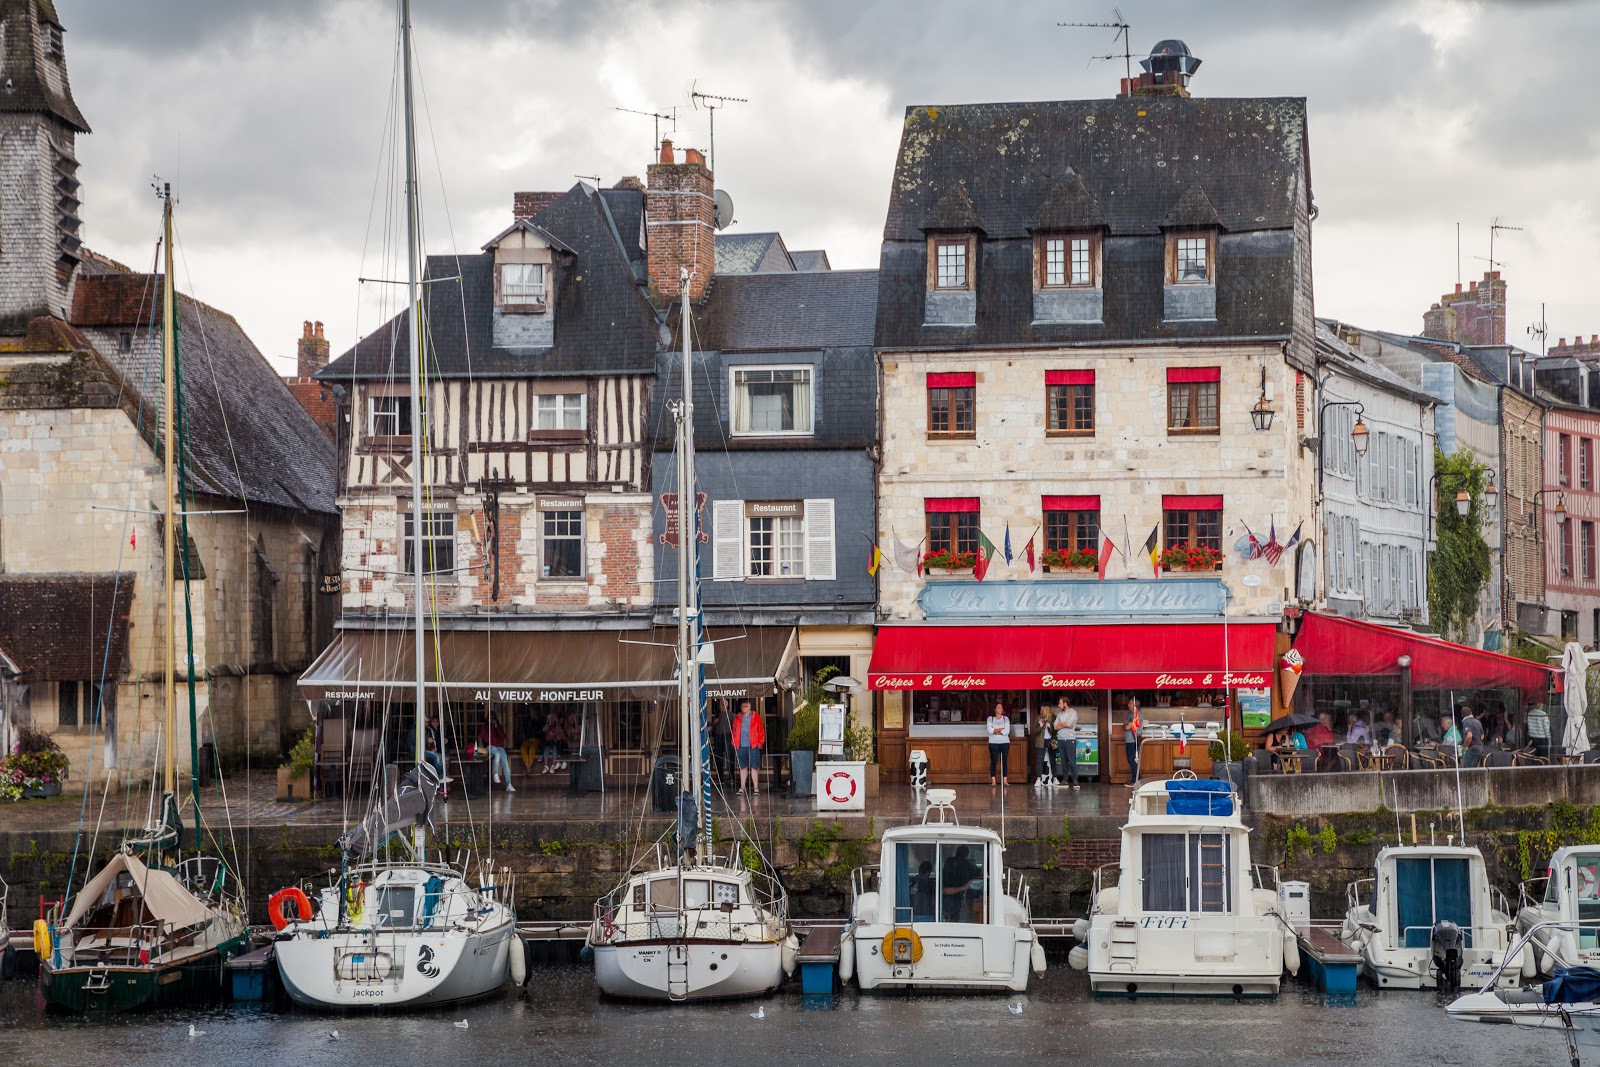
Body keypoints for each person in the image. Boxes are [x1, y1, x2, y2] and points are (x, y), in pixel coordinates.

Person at [732, 698, 766, 796]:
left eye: (745, 706)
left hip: (753, 745)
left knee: (754, 767)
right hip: (741, 745)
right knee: (743, 767)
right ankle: (742, 787)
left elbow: (761, 731)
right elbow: (734, 730)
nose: (744, 708)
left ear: (750, 707)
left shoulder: (756, 717)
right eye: (742, 707)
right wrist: (734, 742)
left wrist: (760, 743)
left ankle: (756, 788)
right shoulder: (738, 717)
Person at [941, 844, 979, 922]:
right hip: (959, 894)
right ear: (966, 854)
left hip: (946, 894)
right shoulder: (968, 864)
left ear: (956, 852)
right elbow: (978, 873)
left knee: (947, 916)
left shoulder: (948, 861)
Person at [481, 711, 515, 792]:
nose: (491, 720)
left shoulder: (498, 726)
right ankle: (495, 773)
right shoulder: (484, 726)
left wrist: (496, 726)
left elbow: (502, 737)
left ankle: (509, 784)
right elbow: (484, 738)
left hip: (499, 746)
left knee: (505, 763)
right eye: (490, 718)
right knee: (497, 753)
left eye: (493, 718)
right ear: (487, 719)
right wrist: (490, 728)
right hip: (489, 745)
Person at [1054, 697, 1081, 790]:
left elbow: (1069, 724)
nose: (1058, 705)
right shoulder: (1060, 714)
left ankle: (1075, 780)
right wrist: (1065, 724)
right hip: (1061, 739)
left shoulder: (1073, 713)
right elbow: (1055, 726)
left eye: (1060, 703)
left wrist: (1061, 724)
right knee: (1063, 760)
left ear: (1065, 703)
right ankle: (1065, 779)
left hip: (1070, 739)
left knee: (1071, 760)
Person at [986, 702, 1012, 787]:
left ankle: (1005, 780)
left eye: (1001, 707)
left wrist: (995, 730)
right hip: (993, 742)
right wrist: (1001, 729)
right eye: (998, 707)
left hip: (1004, 742)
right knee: (993, 761)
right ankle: (993, 781)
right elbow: (990, 730)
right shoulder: (990, 719)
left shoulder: (1006, 719)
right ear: (995, 709)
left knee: (1004, 761)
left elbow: (1007, 731)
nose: (1000, 709)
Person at [712, 700, 735, 786]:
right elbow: (712, 727)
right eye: (720, 705)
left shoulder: (731, 715)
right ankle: (720, 779)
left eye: (723, 705)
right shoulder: (717, 714)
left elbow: (735, 727)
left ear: (727, 705)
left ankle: (731, 778)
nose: (721, 706)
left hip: (728, 736)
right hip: (718, 736)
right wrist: (714, 723)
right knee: (718, 757)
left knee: (730, 757)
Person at [1033, 711, 1056, 788]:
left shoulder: (1053, 718)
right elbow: (1034, 731)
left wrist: (1050, 726)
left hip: (1051, 741)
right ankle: (1038, 779)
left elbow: (1055, 731)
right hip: (1040, 742)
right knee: (1040, 760)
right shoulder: (1038, 718)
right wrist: (1040, 726)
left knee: (1052, 759)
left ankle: (1054, 778)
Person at [1124, 698, 1142, 782]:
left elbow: (1127, 726)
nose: (1128, 705)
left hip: (1133, 740)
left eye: (1130, 703)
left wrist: (1126, 726)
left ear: (1135, 705)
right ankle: (1137, 777)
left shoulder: (1136, 715)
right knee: (1131, 759)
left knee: (1132, 760)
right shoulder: (1130, 714)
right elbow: (1124, 726)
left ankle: (1136, 779)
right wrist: (1125, 726)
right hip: (1129, 740)